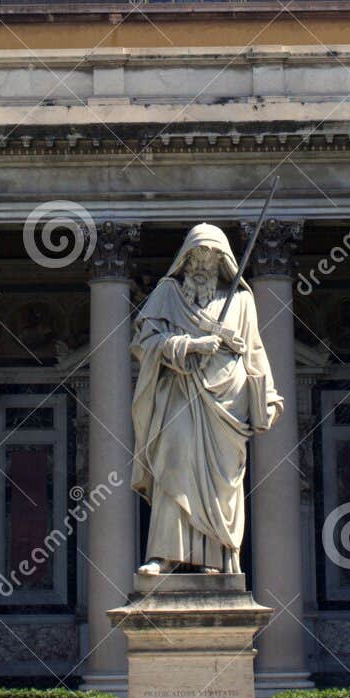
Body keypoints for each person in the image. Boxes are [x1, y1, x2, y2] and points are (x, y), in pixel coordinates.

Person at [131, 223, 282, 575]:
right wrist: (191, 345)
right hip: (181, 395)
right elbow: (144, 344)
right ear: (184, 260)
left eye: (209, 260)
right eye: (196, 259)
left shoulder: (242, 302)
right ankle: (165, 555)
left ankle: (219, 556)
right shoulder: (168, 293)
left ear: (222, 263)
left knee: (223, 484)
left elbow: (254, 352)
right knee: (174, 462)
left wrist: (269, 397)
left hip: (228, 401)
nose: (201, 267)